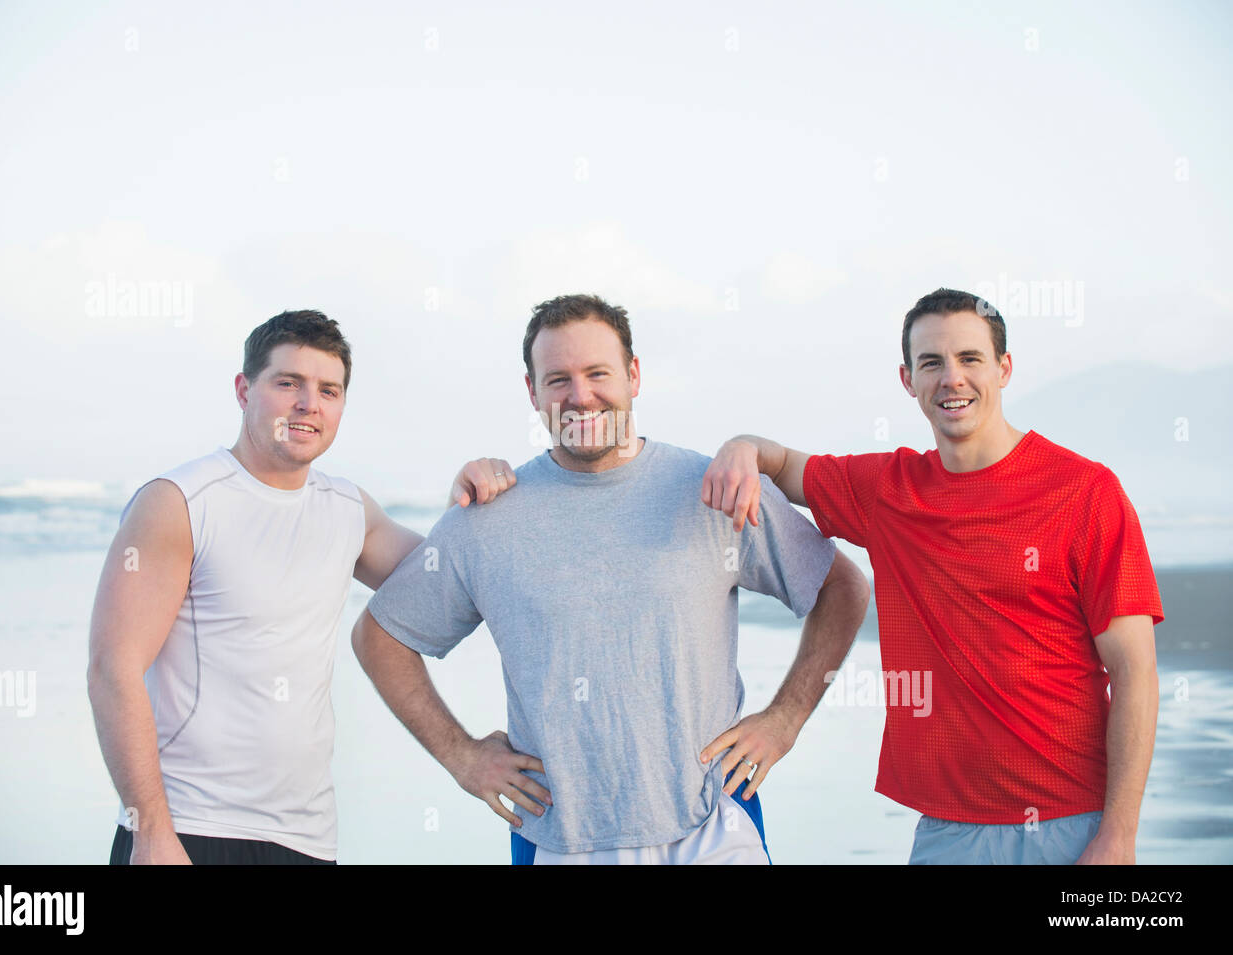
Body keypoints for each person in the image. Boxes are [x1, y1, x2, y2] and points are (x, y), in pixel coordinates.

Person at [354, 293, 870, 864]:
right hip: (559, 834)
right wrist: (462, 757)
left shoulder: (714, 488)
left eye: (598, 373)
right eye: (558, 379)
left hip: (711, 825)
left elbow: (840, 585)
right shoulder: (487, 518)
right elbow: (381, 637)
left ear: (633, 375)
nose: (581, 395)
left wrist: (785, 719)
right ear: (532, 392)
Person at [701, 287, 1163, 864]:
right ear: (907, 379)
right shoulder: (889, 491)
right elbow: (784, 464)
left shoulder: (1083, 492)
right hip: (946, 832)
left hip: (1070, 822)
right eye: (932, 363)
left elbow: (1135, 670)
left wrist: (1118, 836)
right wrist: (740, 447)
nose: (952, 379)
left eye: (970, 359)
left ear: (1004, 368)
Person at [88, 309, 426, 865]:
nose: (308, 404)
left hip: (307, 839)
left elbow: (455, 577)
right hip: (190, 828)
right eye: (287, 383)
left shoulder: (348, 510)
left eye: (328, 390)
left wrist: (484, 490)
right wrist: (149, 831)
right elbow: (111, 669)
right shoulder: (180, 501)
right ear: (245, 389)